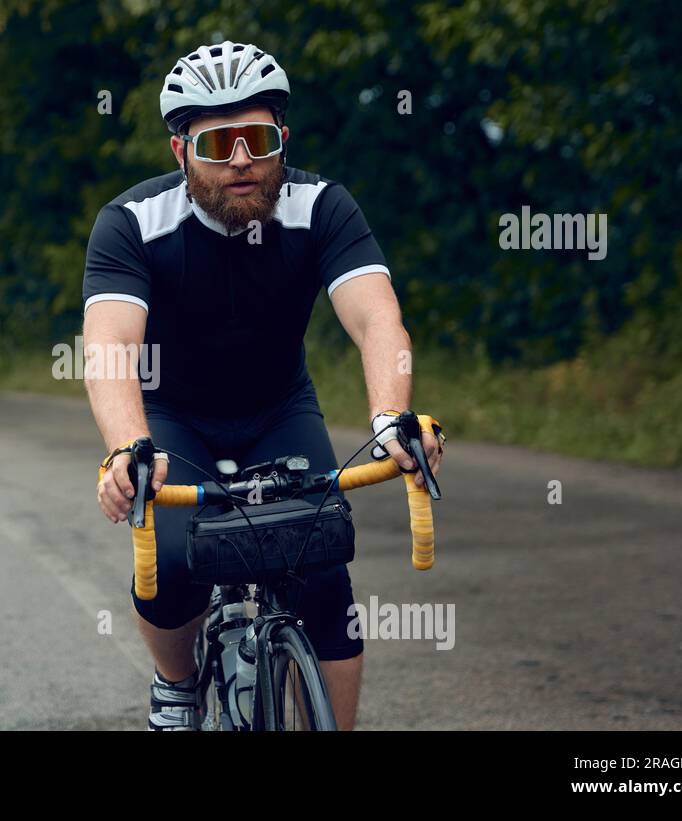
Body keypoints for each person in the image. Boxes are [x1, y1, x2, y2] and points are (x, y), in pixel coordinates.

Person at [83, 40, 442, 730]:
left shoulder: (322, 207)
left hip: (278, 409)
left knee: (322, 570)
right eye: (218, 142)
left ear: (284, 140)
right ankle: (175, 683)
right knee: (175, 553)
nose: (240, 159)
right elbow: (110, 346)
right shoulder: (130, 224)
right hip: (174, 417)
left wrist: (390, 419)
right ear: (180, 151)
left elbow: (377, 320)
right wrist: (130, 445)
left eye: (257, 137)